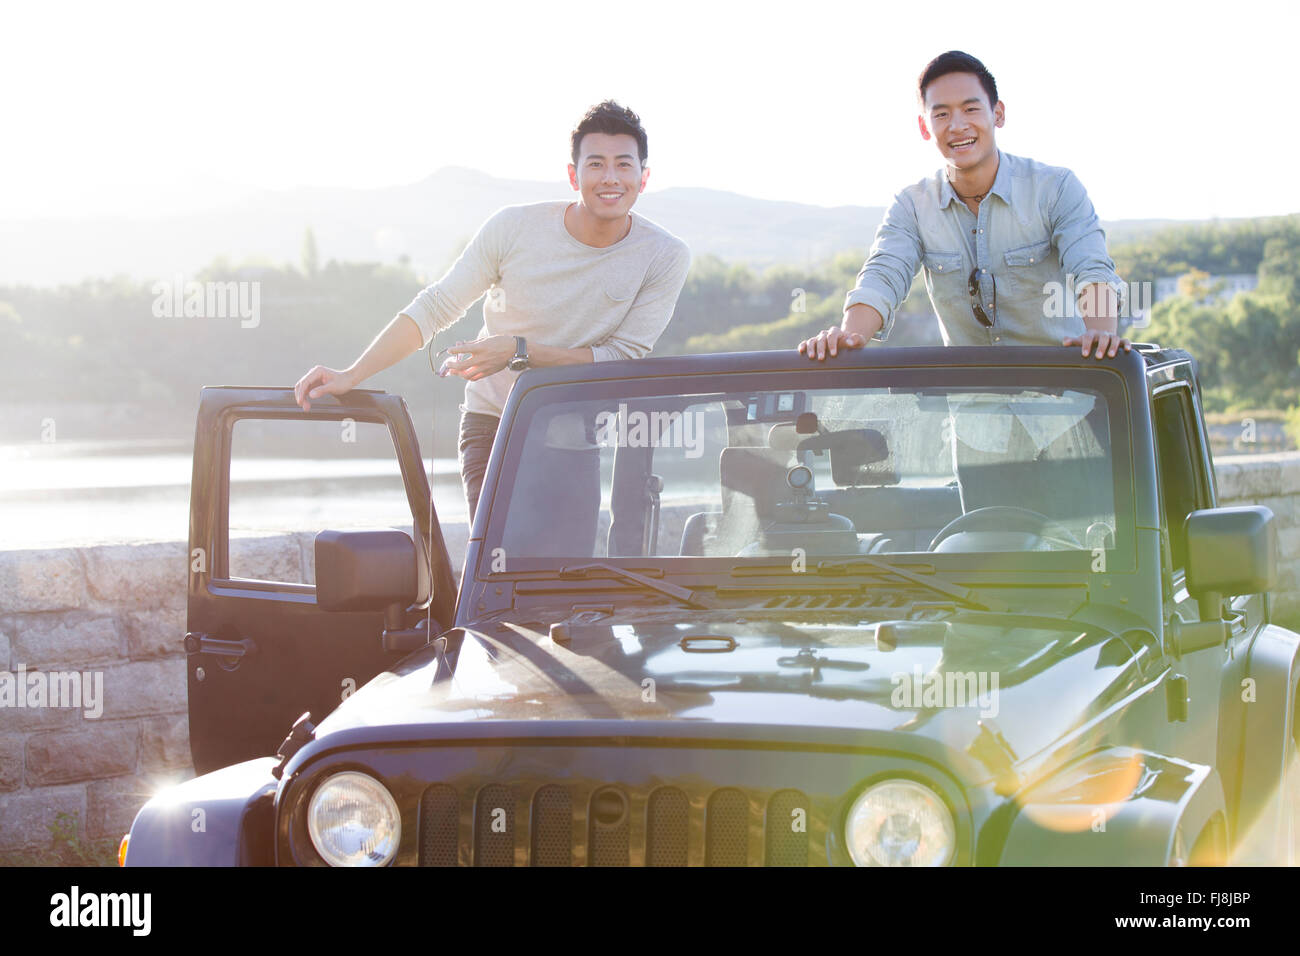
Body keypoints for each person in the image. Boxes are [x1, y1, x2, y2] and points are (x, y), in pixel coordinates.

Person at [294, 101, 692, 522]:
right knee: (495, 575)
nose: (610, 178)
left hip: (575, 436)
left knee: (565, 579)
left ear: (643, 177)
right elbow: (436, 306)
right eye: (596, 164)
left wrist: (518, 351)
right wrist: (352, 375)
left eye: (623, 165)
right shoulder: (514, 228)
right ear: (574, 175)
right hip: (493, 427)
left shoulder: (664, 256)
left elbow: (622, 359)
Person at [799, 51, 1129, 362]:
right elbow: (882, 276)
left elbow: (1093, 269)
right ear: (925, 126)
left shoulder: (1055, 188)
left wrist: (1100, 333)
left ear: (997, 114)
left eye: (971, 109)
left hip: (1064, 405)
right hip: (975, 411)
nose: (957, 126)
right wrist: (849, 336)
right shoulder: (912, 206)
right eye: (941, 114)